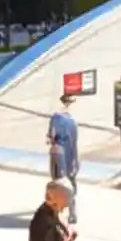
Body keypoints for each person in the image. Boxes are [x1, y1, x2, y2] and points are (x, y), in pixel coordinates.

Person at [47, 94, 80, 225]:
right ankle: (71, 213)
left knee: (58, 183)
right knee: (69, 182)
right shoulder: (72, 120)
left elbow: (50, 135)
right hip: (70, 154)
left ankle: (58, 213)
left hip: (58, 152)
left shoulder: (56, 118)